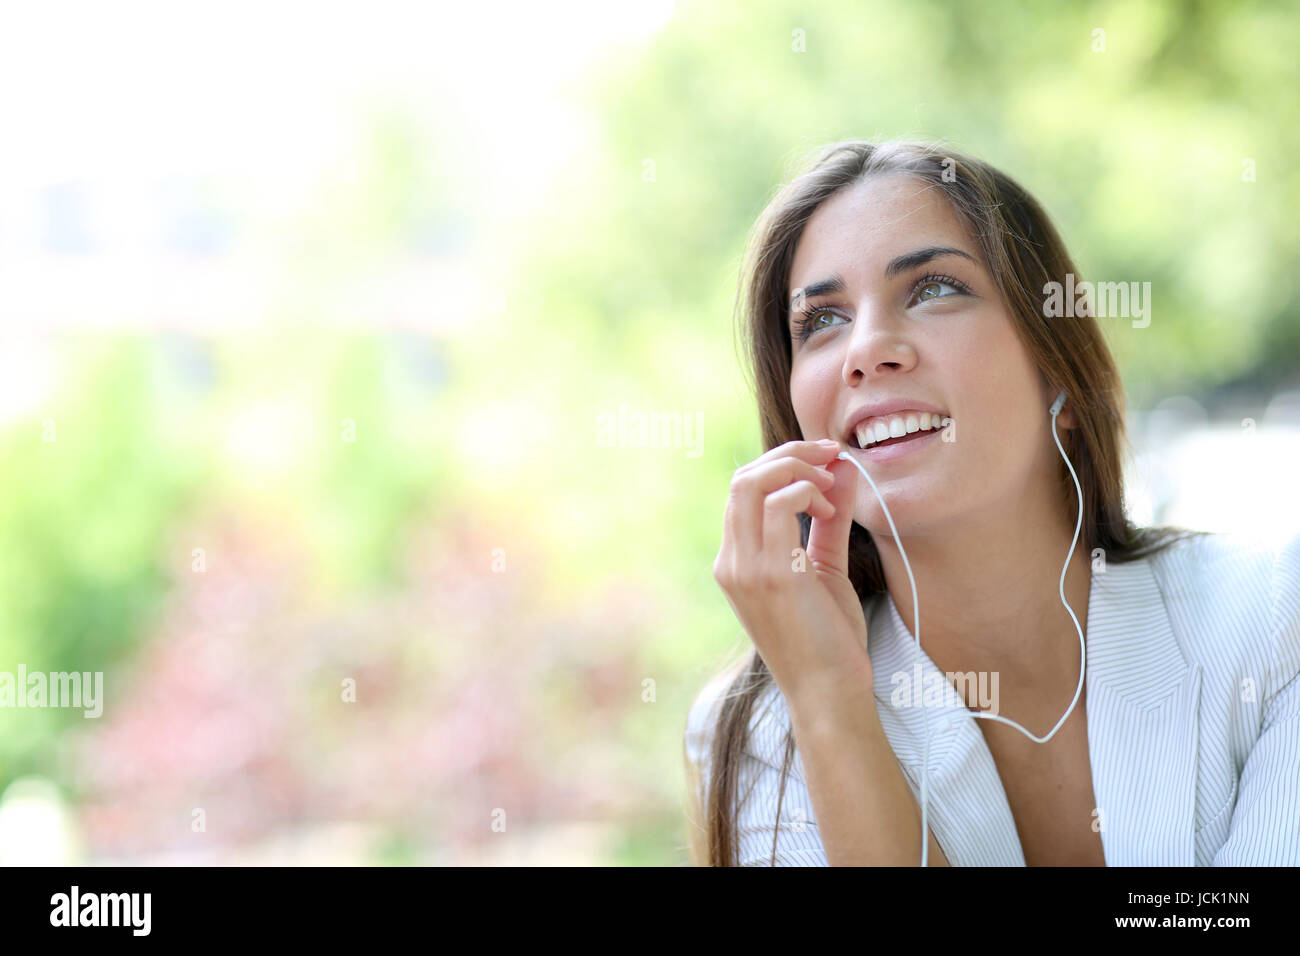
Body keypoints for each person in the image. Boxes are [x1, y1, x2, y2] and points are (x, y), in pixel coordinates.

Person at [683, 139, 1300, 866]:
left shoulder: (1274, 618)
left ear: (1060, 376)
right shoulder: (759, 734)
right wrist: (828, 704)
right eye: (821, 321)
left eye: (934, 288)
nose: (866, 348)